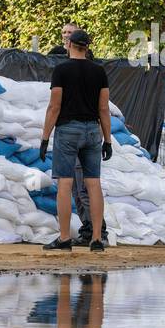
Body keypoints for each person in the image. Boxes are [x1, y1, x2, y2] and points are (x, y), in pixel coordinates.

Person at [39, 28, 112, 252]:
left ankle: (64, 238)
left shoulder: (61, 70)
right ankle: (97, 239)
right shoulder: (99, 72)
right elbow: (103, 108)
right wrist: (107, 140)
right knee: (93, 183)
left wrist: (44, 137)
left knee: (65, 183)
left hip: (67, 130)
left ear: (69, 45)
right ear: (87, 47)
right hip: (92, 131)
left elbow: (55, 106)